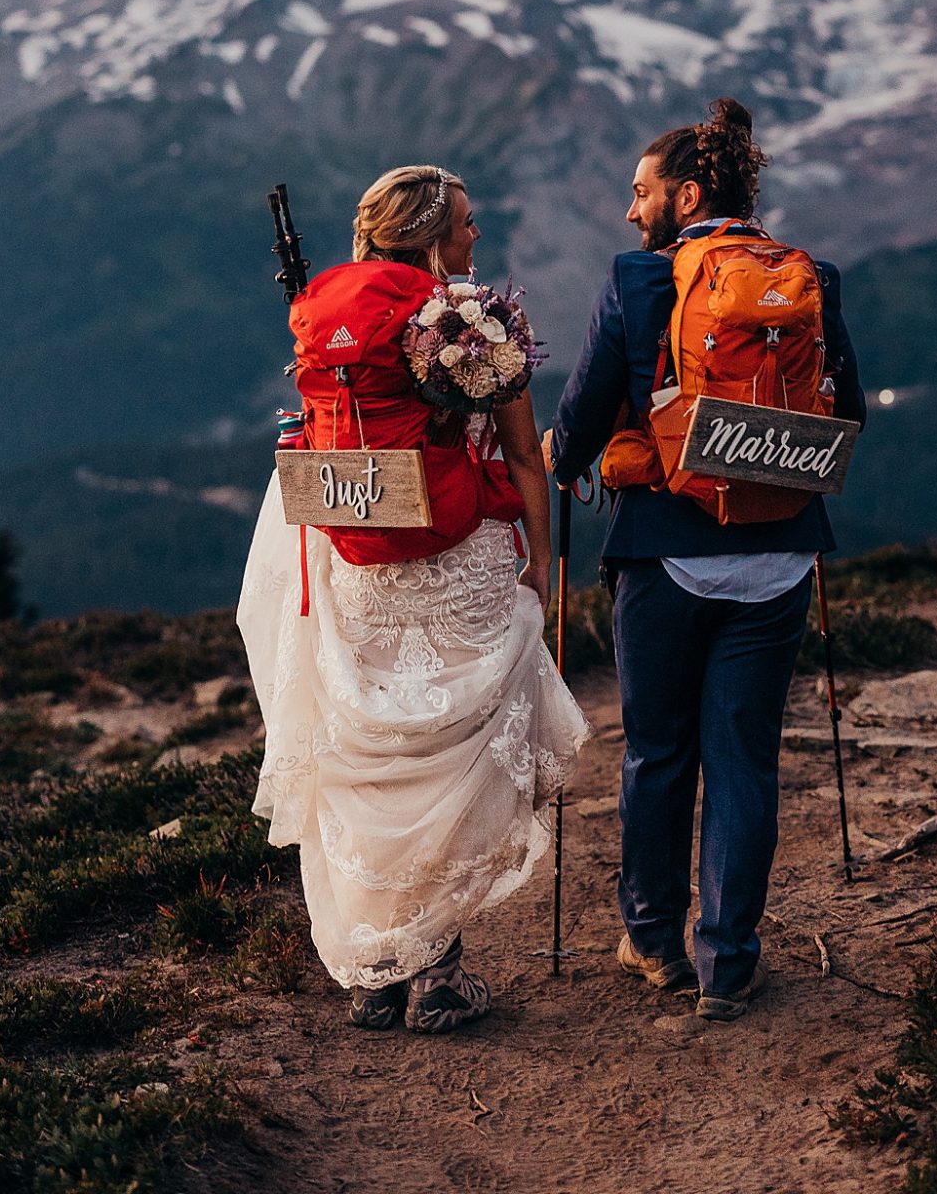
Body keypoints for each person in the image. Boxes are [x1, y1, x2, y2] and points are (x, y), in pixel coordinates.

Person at [238, 164, 589, 1033]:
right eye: (464, 225)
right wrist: (541, 560)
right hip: (456, 555)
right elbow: (521, 457)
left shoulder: (327, 311)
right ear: (432, 236)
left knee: (373, 761)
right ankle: (436, 973)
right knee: (453, 758)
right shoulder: (477, 325)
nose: (475, 237)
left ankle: (377, 971)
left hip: (357, 565)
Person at [549, 100, 865, 1021]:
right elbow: (847, 415)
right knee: (744, 760)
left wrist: (565, 469)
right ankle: (727, 961)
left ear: (686, 195)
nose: (630, 210)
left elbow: (583, 405)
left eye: (641, 192)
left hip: (664, 551)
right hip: (777, 557)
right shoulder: (811, 281)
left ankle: (651, 941)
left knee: (657, 751)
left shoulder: (641, 281)